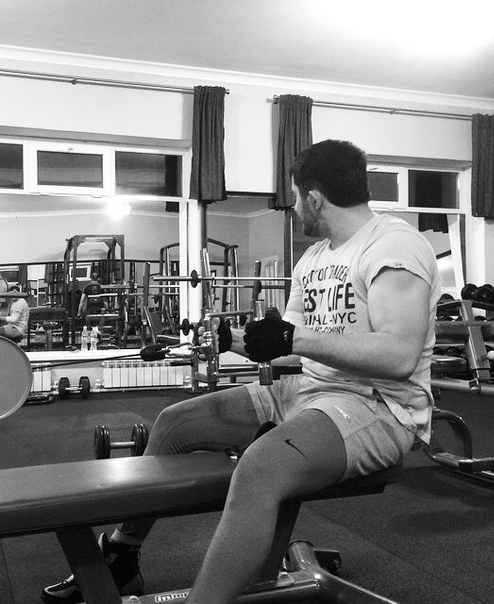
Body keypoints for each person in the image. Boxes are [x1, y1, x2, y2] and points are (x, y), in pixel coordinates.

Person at [42, 140, 441, 604]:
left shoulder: (394, 246)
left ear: (314, 198)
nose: (294, 207)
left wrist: (291, 339)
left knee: (260, 466)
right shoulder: (314, 259)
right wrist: (234, 339)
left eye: (295, 197)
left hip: (378, 406)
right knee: (174, 423)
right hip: (306, 390)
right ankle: (122, 555)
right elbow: (291, 347)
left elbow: (398, 355)